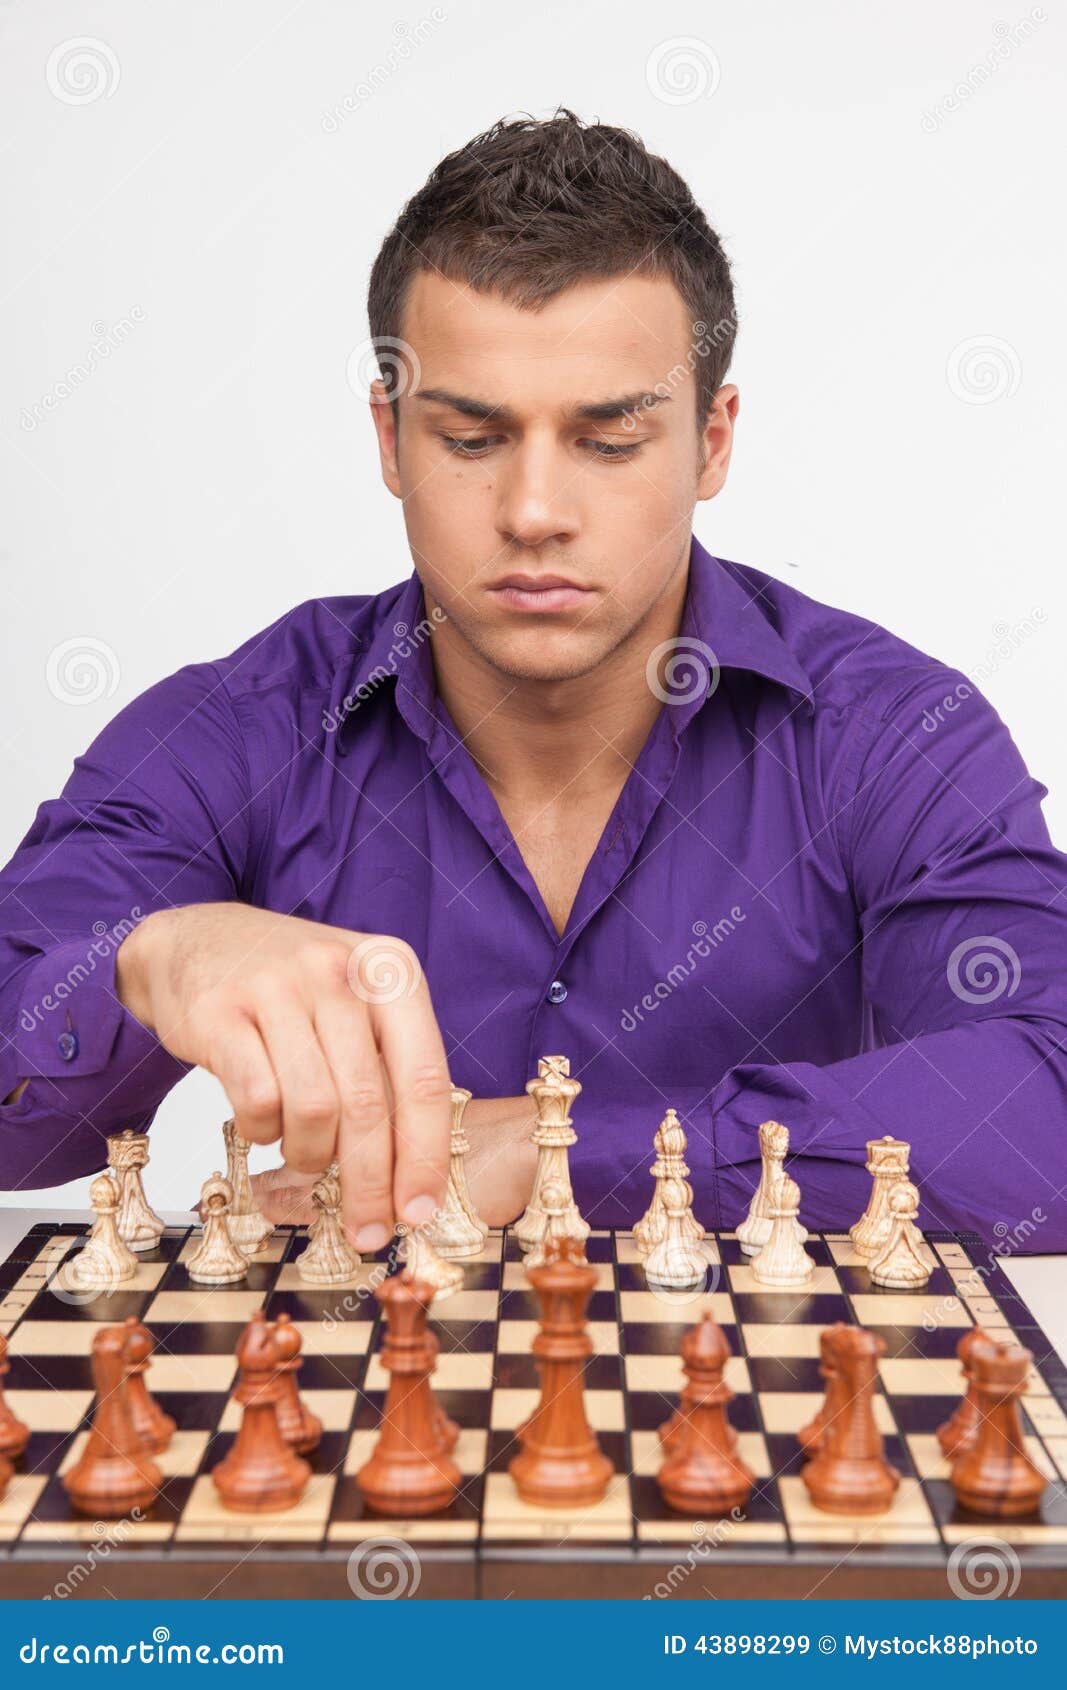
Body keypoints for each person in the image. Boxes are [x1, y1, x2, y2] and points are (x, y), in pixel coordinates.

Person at [2, 111, 1065, 1252]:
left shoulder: (887, 733)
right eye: (469, 438)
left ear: (711, 443)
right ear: (389, 438)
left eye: (608, 441)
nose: (533, 513)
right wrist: (143, 959)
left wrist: (551, 1150)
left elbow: (1042, 1111)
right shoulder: (238, 731)